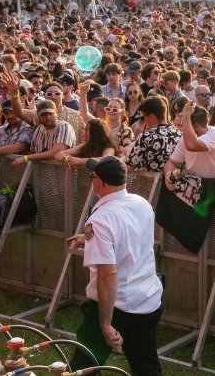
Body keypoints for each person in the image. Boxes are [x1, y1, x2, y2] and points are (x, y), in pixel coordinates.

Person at [65, 156, 163, 376]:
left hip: (117, 305)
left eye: (92, 177)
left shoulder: (100, 220)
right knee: (147, 367)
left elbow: (107, 274)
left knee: (83, 367)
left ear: (101, 183)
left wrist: (106, 324)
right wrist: (89, 238)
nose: (91, 181)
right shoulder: (141, 203)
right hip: (146, 300)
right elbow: (127, 239)